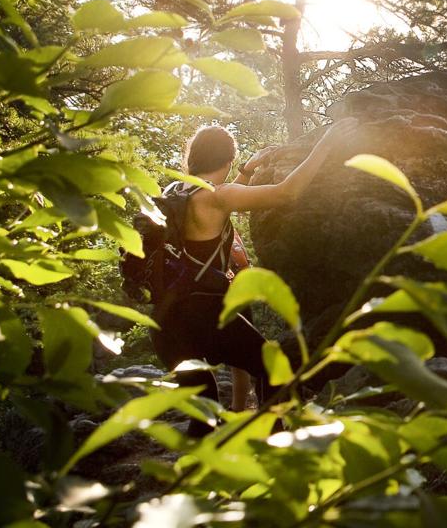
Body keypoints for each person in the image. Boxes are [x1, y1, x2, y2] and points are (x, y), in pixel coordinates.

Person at [151, 118, 358, 433]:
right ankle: (271, 440)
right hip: (204, 314)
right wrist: (326, 143)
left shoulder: (175, 192)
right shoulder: (217, 195)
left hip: (166, 319)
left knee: (203, 416)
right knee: (275, 369)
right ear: (227, 158)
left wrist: (245, 173)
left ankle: (199, 473)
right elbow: (286, 194)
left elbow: (221, 206)